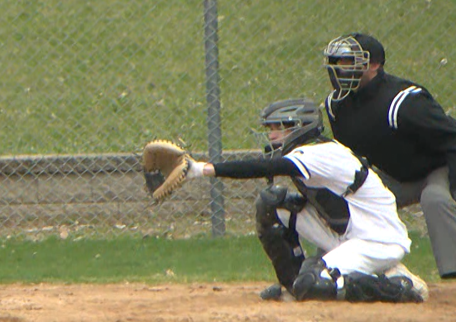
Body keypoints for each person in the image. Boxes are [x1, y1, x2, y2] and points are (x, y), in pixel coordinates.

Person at [179, 97, 426, 303]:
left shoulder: (319, 153)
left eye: (277, 128)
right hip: (347, 230)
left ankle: (398, 286)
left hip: (377, 240)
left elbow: (264, 166)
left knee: (314, 283)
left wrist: (202, 169)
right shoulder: (310, 150)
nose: (272, 135)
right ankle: (293, 285)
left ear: (298, 127)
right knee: (273, 205)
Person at [319, 33, 456, 303]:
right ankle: (323, 272)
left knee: (435, 197)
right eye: (337, 61)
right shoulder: (337, 105)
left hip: (437, 166)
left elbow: (455, 137)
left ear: (374, 65)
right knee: (344, 204)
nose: (340, 67)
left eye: (348, 60)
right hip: (394, 175)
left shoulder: (403, 100)